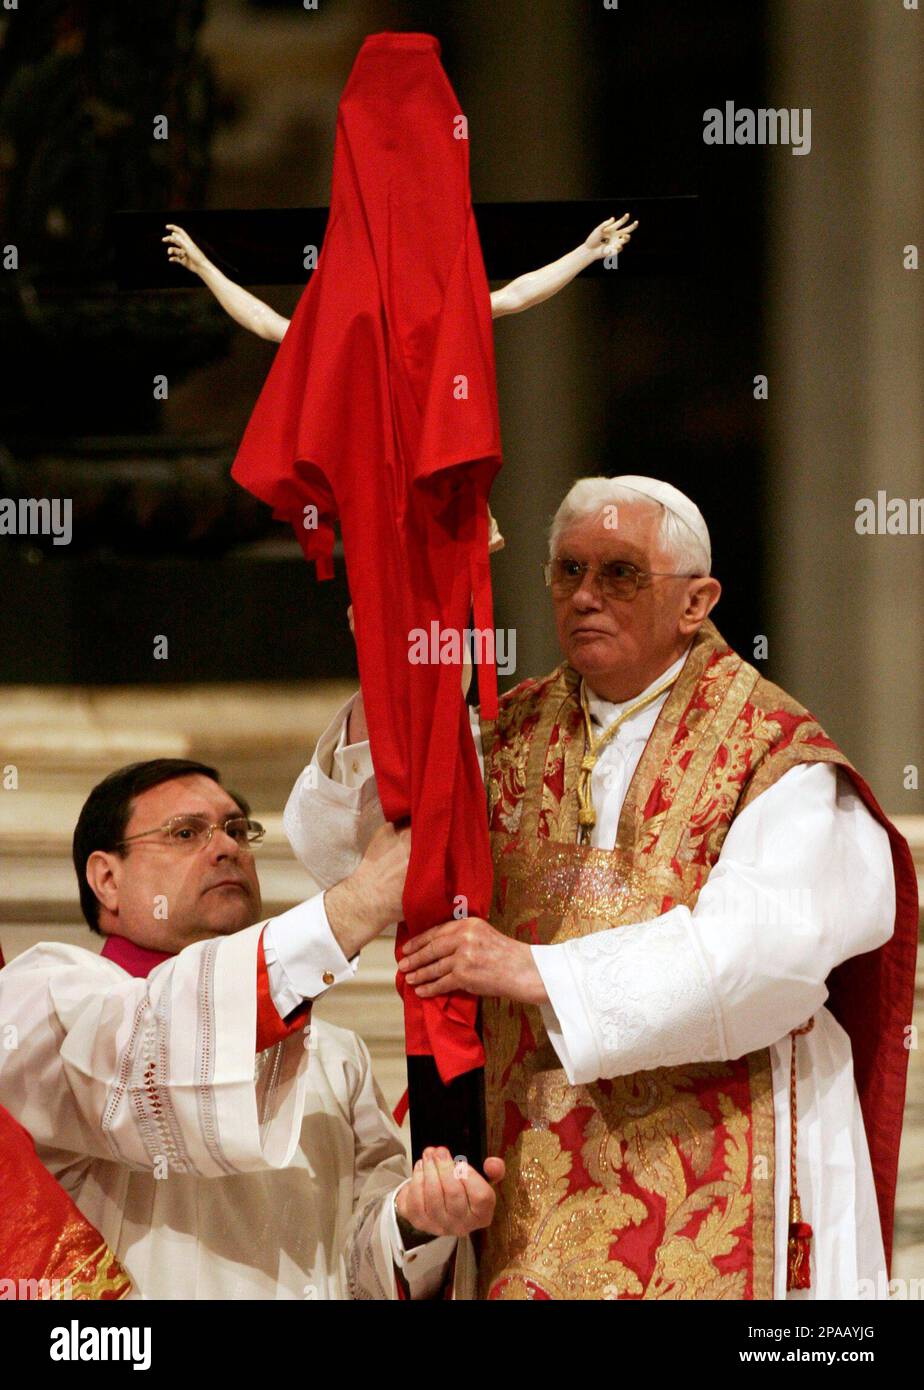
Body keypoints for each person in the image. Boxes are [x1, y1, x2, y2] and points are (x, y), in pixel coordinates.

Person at [284, 474, 918, 1300]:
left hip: (731, 1157)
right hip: (530, 1175)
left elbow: (768, 956)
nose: (586, 595)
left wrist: (533, 972)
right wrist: (389, 675)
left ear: (697, 602)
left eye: (620, 573)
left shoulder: (776, 758)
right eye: (568, 571)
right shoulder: (509, 735)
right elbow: (352, 857)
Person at [0, 758, 503, 1299]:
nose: (227, 848)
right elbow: (150, 1044)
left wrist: (415, 1222)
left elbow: (359, 1269)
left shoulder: (337, 1056)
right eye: (186, 832)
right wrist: (355, 906)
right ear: (106, 878)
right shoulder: (44, 994)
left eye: (238, 830)